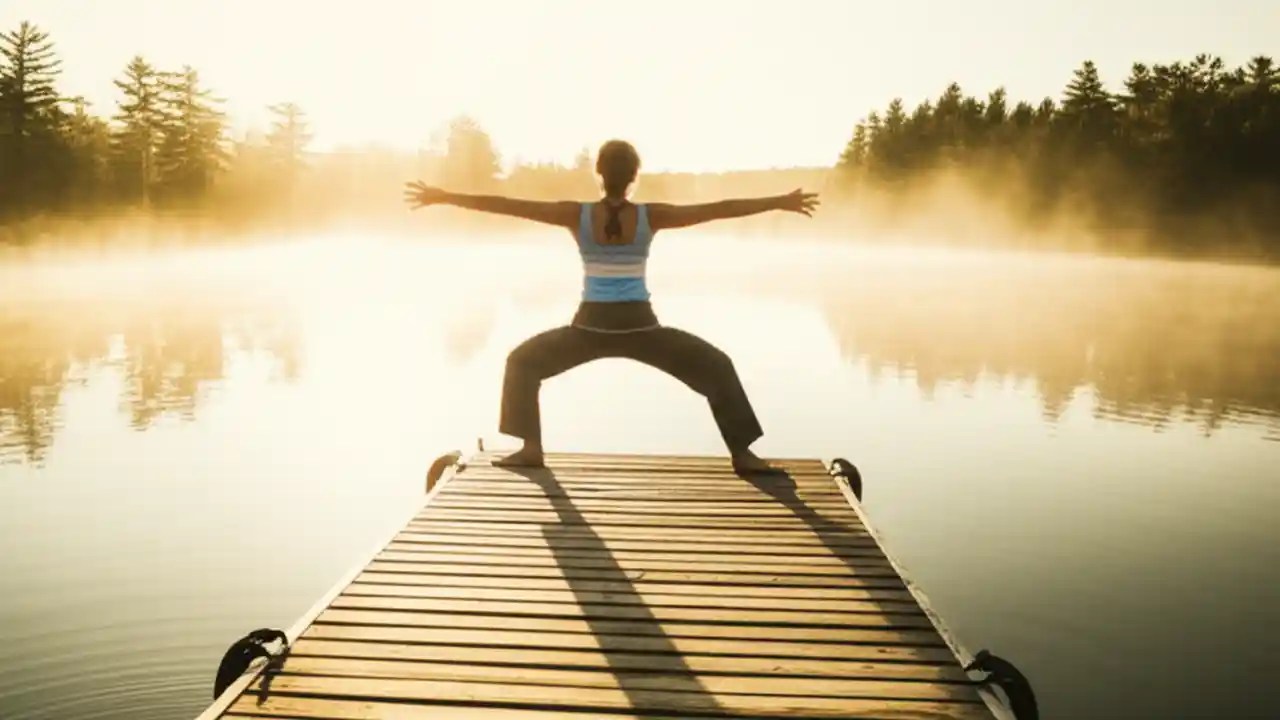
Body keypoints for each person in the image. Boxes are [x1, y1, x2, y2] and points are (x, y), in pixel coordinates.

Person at [403, 139, 819, 471]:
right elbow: (719, 210)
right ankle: (743, 455)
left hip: (589, 329)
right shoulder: (651, 215)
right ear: (634, 177)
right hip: (641, 328)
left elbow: (506, 204)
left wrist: (443, 196)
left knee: (522, 362)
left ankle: (531, 448)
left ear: (599, 174)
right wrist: (780, 201)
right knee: (716, 366)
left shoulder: (575, 214)